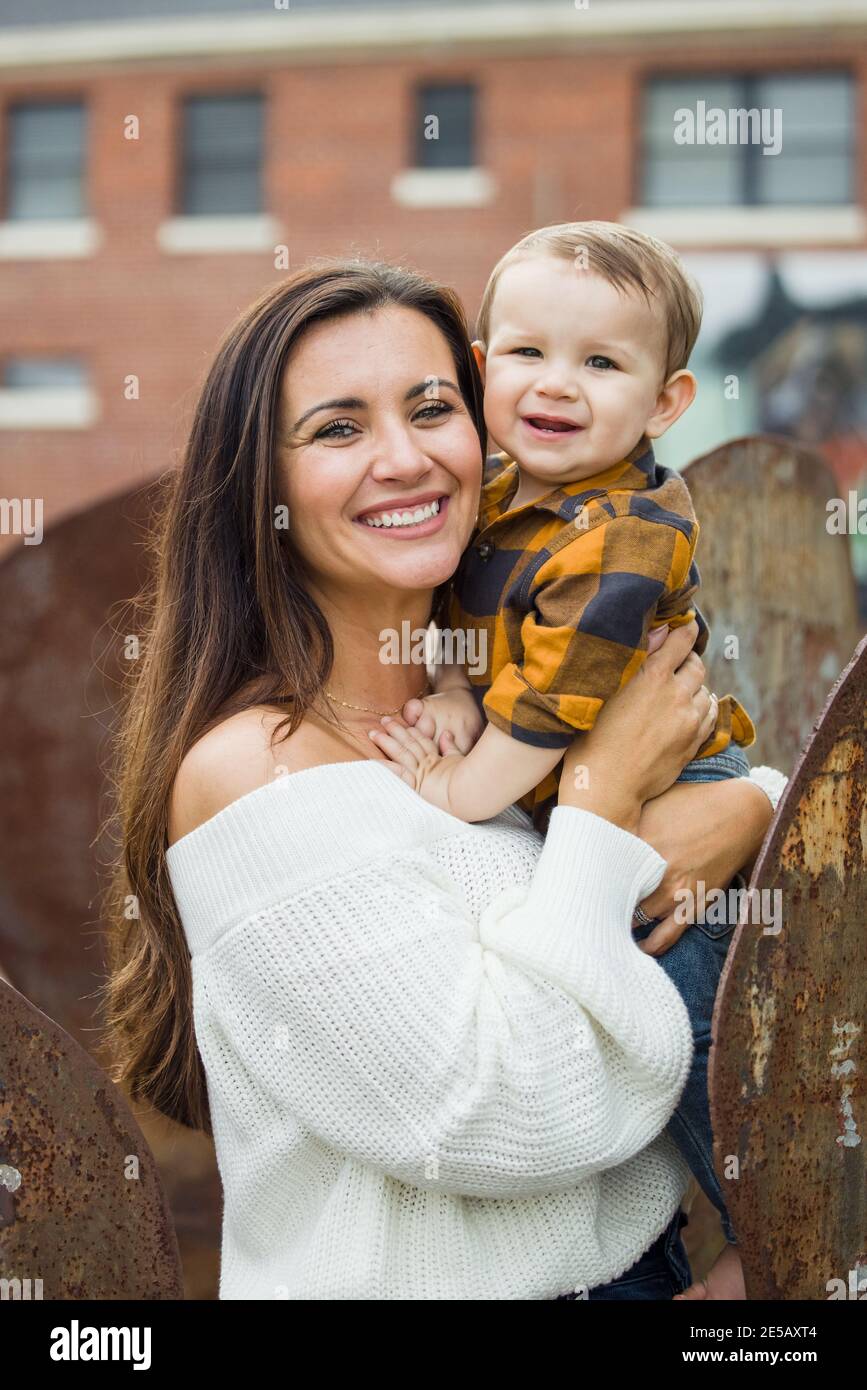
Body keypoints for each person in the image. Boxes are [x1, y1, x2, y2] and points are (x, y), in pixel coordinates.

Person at [101, 259, 784, 1300]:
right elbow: (512, 1111)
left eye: (432, 408)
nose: (406, 458)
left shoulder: (507, 700)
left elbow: (732, 808)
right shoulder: (259, 773)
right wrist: (607, 807)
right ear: (261, 487)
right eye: (338, 429)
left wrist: (751, 808)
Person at [368, 222, 771, 1297]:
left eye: (601, 362)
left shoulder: (625, 534)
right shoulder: (500, 493)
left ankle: (780, 1250)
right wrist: (453, 693)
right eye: (531, 354)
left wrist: (458, 785)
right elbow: (474, 626)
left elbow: (550, 711)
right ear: (486, 369)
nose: (560, 385)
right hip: (591, 798)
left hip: (673, 789)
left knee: (695, 1040)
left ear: (666, 401)